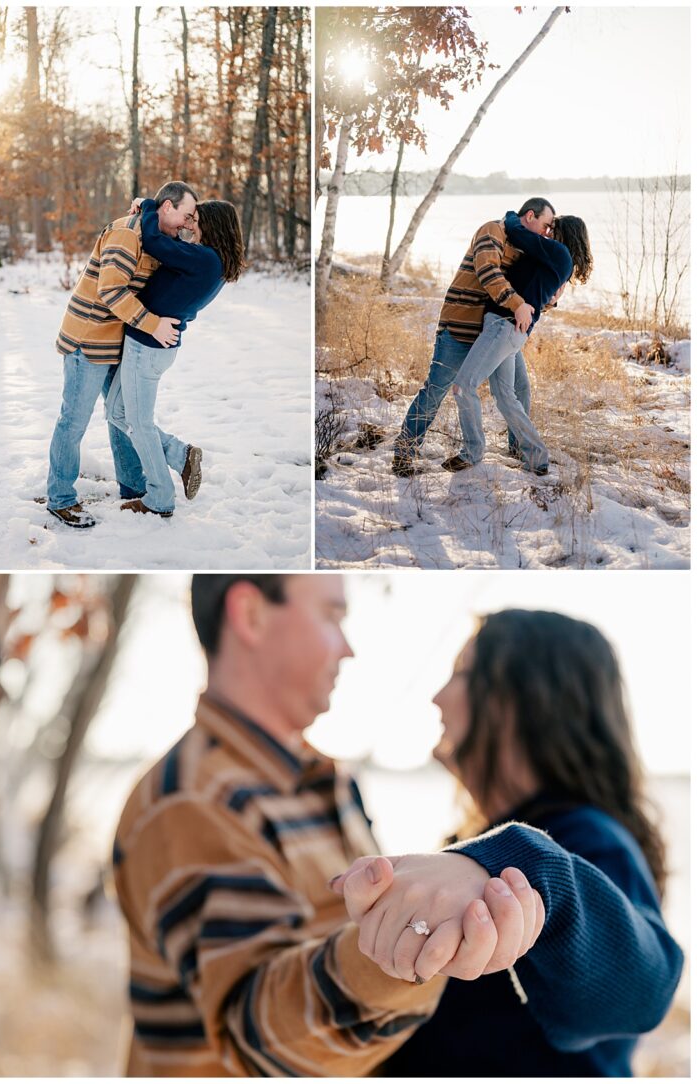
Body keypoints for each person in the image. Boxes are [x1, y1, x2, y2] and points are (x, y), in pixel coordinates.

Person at [112, 574, 544, 1077]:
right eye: (332, 616)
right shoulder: (192, 801)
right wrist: (398, 951)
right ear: (251, 615)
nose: (349, 650)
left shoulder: (324, 777)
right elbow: (256, 1034)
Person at [333, 609, 684, 1077]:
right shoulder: (470, 845)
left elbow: (643, 990)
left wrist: (528, 864)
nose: (437, 697)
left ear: (518, 700)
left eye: (460, 674)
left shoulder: (590, 840)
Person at [46, 180, 197, 528]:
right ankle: (60, 498)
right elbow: (111, 290)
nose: (188, 225)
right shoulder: (127, 234)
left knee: (122, 416)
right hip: (89, 338)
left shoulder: (158, 237)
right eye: (186, 216)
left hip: (119, 341)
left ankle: (133, 487)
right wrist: (152, 324)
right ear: (168, 206)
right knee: (73, 420)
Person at [392, 198, 555, 478]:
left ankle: (518, 449)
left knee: (520, 388)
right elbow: (488, 272)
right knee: (436, 390)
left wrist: (548, 300)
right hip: (461, 328)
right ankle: (404, 454)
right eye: (545, 225)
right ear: (530, 215)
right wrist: (517, 304)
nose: (547, 232)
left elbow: (529, 292)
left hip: (495, 333)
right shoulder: (492, 231)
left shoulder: (524, 249)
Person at [105, 197, 246, 518]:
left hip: (148, 348)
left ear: (211, 225)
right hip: (149, 344)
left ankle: (160, 497)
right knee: (117, 412)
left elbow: (155, 243)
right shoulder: (209, 259)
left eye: (194, 219)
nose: (189, 224)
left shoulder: (206, 259)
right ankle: (180, 455)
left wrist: (151, 206)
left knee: (138, 424)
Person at [444, 213, 593, 475]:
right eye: (547, 227)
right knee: (505, 396)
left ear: (565, 234)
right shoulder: (551, 257)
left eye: (552, 228)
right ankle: (537, 458)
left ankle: (472, 452)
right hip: (503, 327)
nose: (546, 232)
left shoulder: (558, 253)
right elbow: (539, 294)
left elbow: (517, 231)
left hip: (504, 327)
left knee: (463, 386)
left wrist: (513, 215)